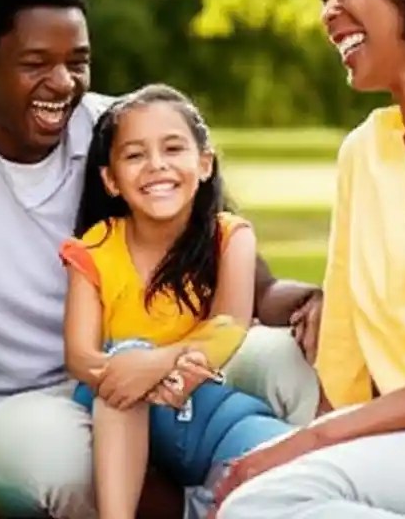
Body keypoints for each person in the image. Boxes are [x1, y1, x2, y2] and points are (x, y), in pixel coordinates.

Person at [0, 0, 322, 519]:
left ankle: (325, 485)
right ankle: (243, 494)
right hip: (26, 406)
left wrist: (307, 302)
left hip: (178, 372)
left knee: (298, 356)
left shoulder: (120, 132)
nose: (63, 83)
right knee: (71, 467)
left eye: (78, 62)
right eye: (35, 64)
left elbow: (234, 277)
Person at [214, 0, 405, 518]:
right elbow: (342, 341)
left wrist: (310, 445)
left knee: (263, 503)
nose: (327, 13)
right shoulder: (364, 152)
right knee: (261, 496)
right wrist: (309, 441)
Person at [62, 84, 297, 519]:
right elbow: (80, 355)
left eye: (173, 148)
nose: (156, 166)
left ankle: (208, 503)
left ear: (204, 163)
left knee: (289, 460)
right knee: (126, 357)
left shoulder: (230, 237)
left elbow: (229, 324)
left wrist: (160, 363)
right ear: (111, 180)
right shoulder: (95, 248)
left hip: (209, 407)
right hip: (123, 405)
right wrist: (135, 370)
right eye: (134, 155)